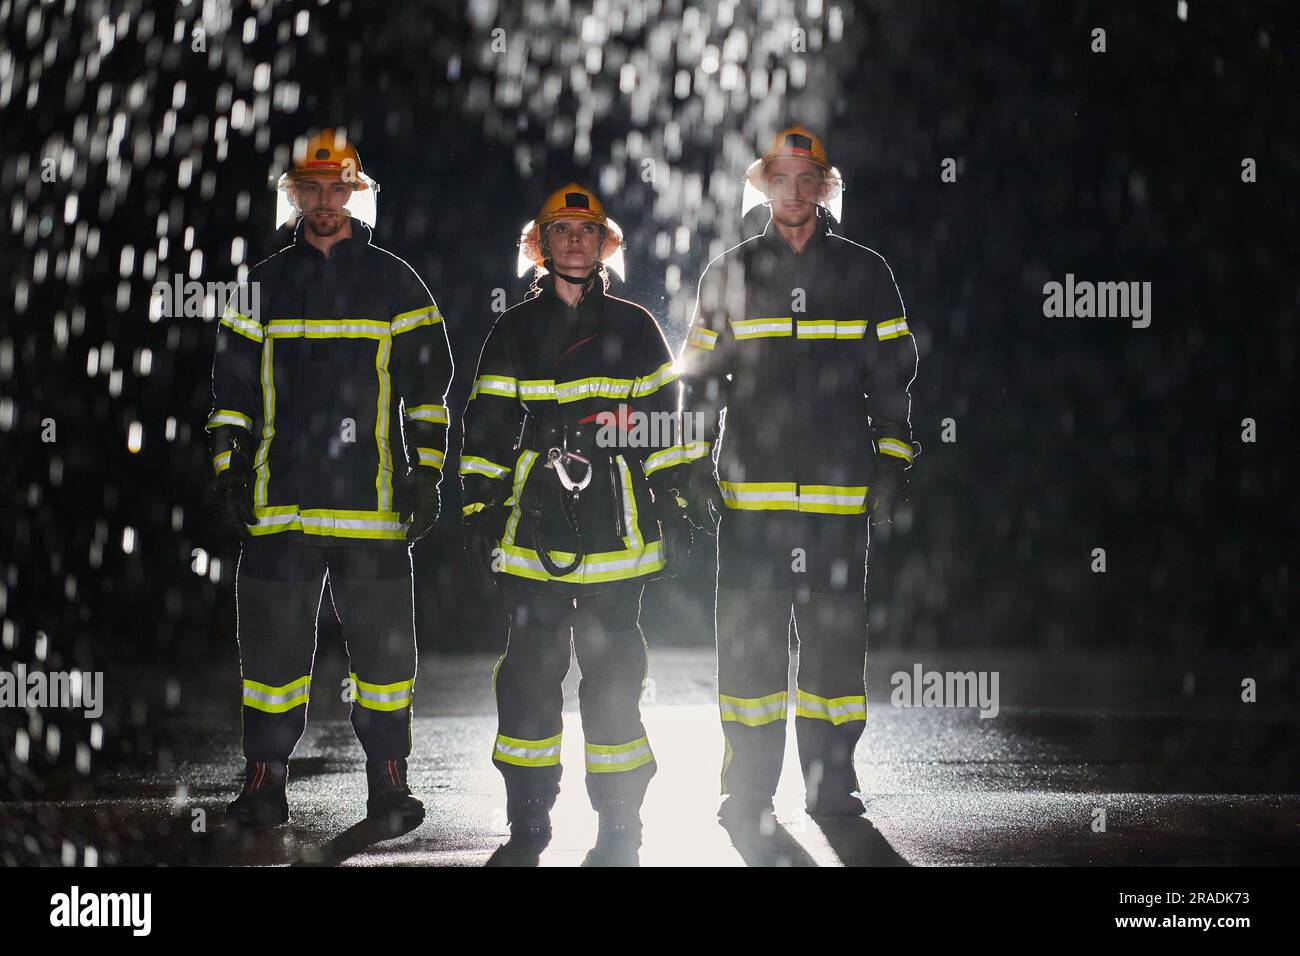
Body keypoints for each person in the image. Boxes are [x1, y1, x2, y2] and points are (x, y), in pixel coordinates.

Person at [207, 129, 453, 829]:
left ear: (356, 194)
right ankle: (264, 785)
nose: (323, 200)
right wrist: (229, 474)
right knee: (272, 663)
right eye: (310, 188)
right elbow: (230, 393)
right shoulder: (259, 285)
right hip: (276, 508)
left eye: (335, 188)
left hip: (372, 511)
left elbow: (429, 392)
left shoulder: (397, 283)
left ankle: (389, 783)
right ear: (296, 196)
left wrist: (427, 475)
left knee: (384, 662)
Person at [679, 125, 919, 829]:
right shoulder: (728, 272)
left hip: (839, 501)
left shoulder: (867, 273)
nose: (793, 189)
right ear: (764, 186)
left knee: (836, 650)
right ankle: (748, 788)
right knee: (749, 647)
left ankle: (831, 782)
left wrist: (894, 461)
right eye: (780, 177)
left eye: (805, 178)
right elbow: (698, 383)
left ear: (822, 187)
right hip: (751, 503)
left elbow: (894, 379)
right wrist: (690, 463)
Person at [460, 183, 697, 864]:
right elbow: (486, 431)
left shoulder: (635, 327)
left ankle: (620, 813)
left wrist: (676, 502)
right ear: (540, 244)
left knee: (616, 669)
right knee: (531, 669)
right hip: (535, 521)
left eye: (586, 231)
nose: (573, 241)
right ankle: (529, 812)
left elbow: (665, 425)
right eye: (559, 230)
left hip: (616, 520)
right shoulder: (511, 330)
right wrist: (478, 510)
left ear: (603, 245)